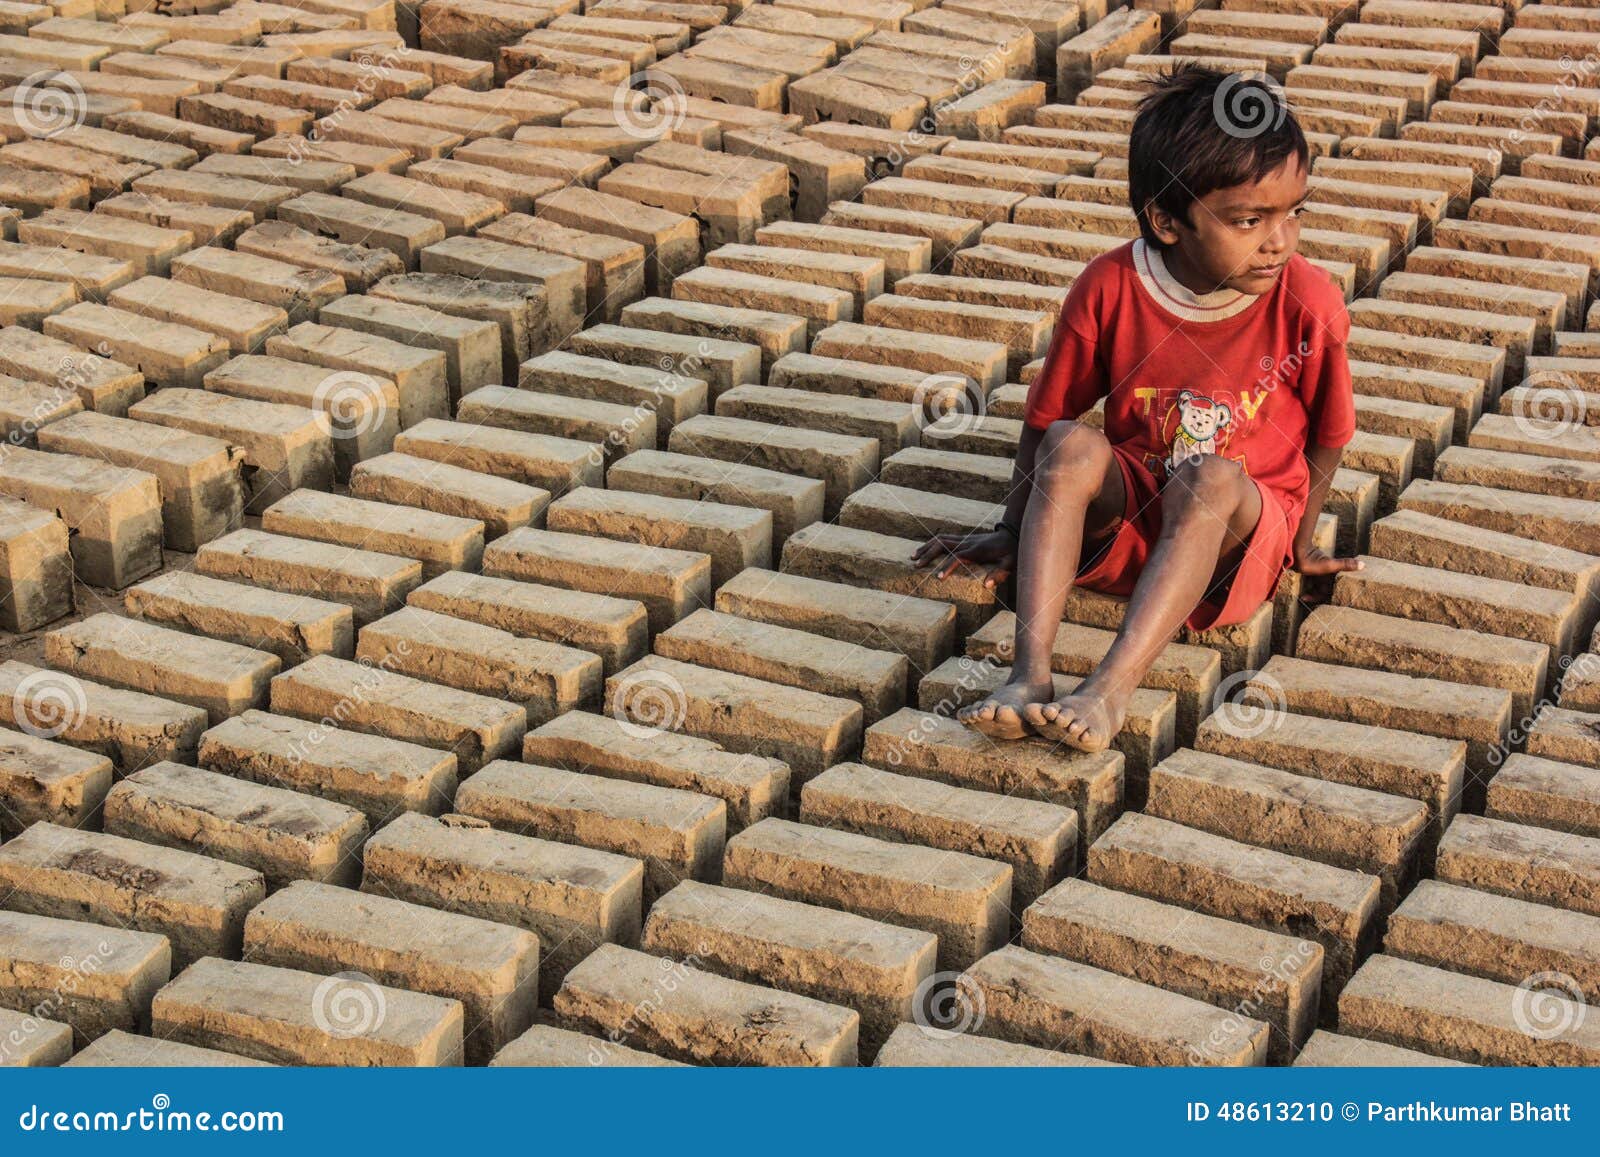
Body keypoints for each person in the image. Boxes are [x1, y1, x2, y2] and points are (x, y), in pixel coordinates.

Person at [913, 64, 1362, 751]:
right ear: (1166, 220)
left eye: (1295, 212)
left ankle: (1108, 691)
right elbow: (1045, 422)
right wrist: (1013, 526)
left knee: (1209, 478)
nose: (1280, 240)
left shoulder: (1308, 301)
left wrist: (1300, 545)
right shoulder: (1110, 287)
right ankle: (1028, 676)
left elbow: (1330, 435)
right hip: (1140, 515)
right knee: (1071, 443)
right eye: (1249, 220)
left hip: (1236, 535)